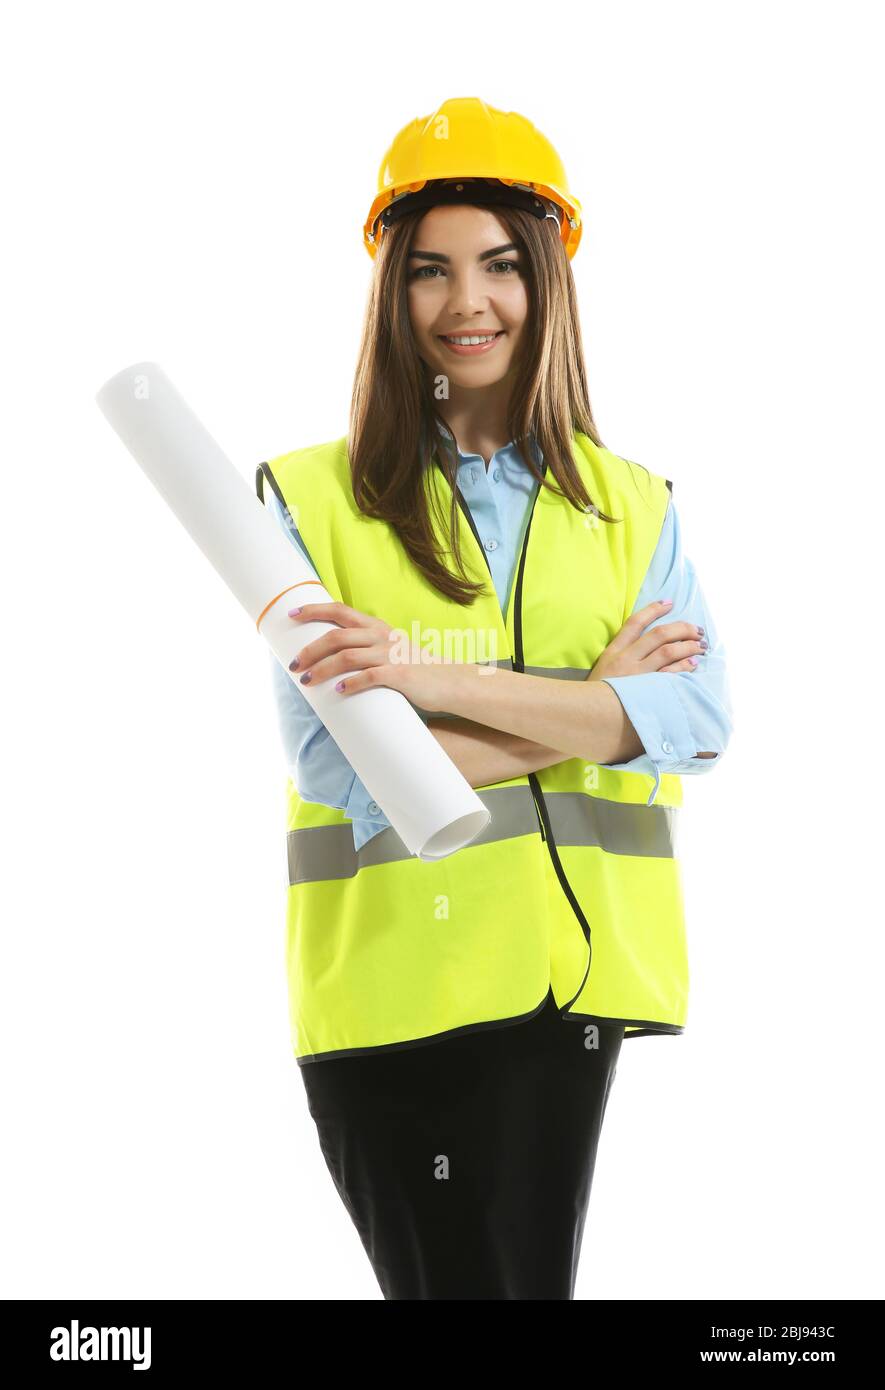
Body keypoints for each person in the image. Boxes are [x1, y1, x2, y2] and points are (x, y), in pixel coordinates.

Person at [256, 97, 733, 1300]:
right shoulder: (311, 500)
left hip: (566, 989)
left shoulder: (633, 504)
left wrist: (422, 686)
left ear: (550, 277)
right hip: (392, 994)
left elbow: (695, 720)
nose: (468, 304)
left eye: (501, 265)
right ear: (391, 297)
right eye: (429, 272)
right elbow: (334, 764)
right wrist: (592, 708)